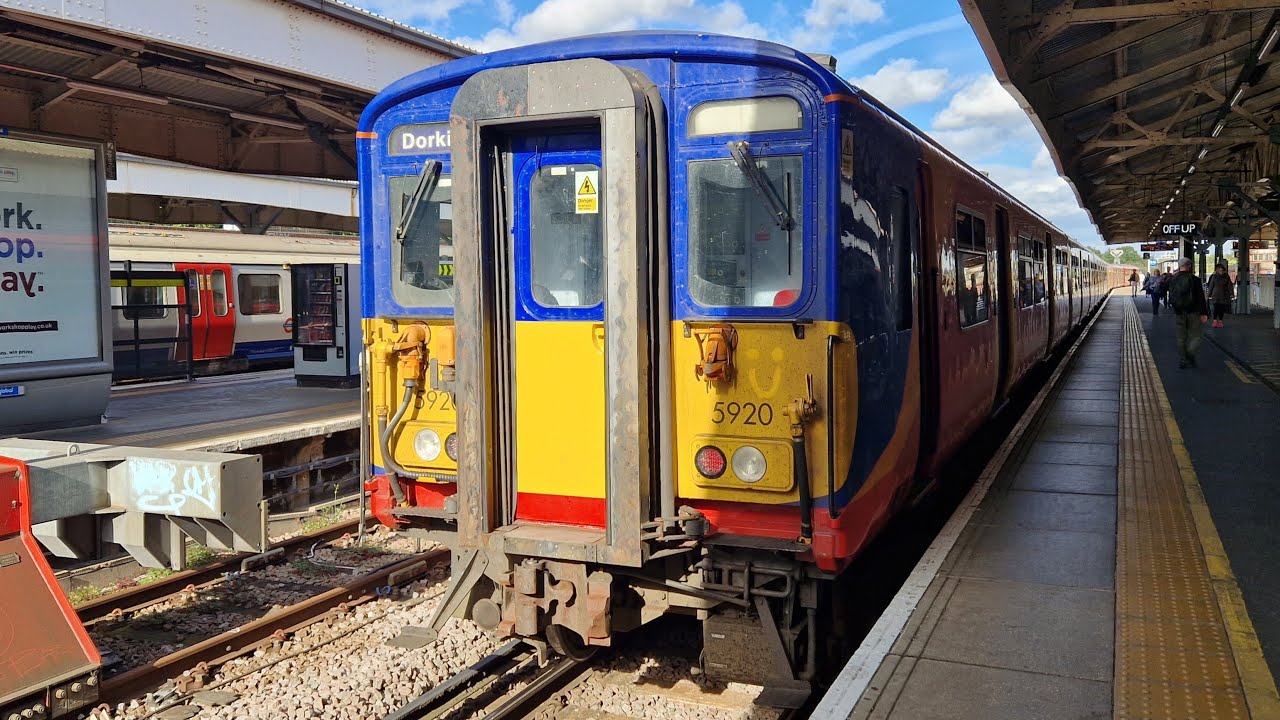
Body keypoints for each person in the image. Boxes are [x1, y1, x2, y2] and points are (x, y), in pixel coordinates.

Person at [1166, 257, 1208, 368]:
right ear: (1189, 266)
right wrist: (1204, 313)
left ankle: (1183, 359)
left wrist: (1175, 309)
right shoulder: (1195, 280)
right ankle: (1190, 353)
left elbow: (1171, 296)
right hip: (1194, 312)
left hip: (1179, 312)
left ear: (1180, 266)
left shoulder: (1173, 279)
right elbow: (1200, 298)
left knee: (1181, 338)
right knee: (1197, 336)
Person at [1204, 263, 1233, 328]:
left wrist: (1231, 294)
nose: (1221, 271)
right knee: (1216, 308)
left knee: (1221, 309)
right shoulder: (1214, 277)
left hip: (1224, 295)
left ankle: (1220, 321)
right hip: (1215, 295)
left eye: (1222, 270)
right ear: (1217, 270)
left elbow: (1230, 286)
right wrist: (1208, 295)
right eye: (1220, 270)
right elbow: (1211, 286)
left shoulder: (1226, 277)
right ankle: (1215, 321)